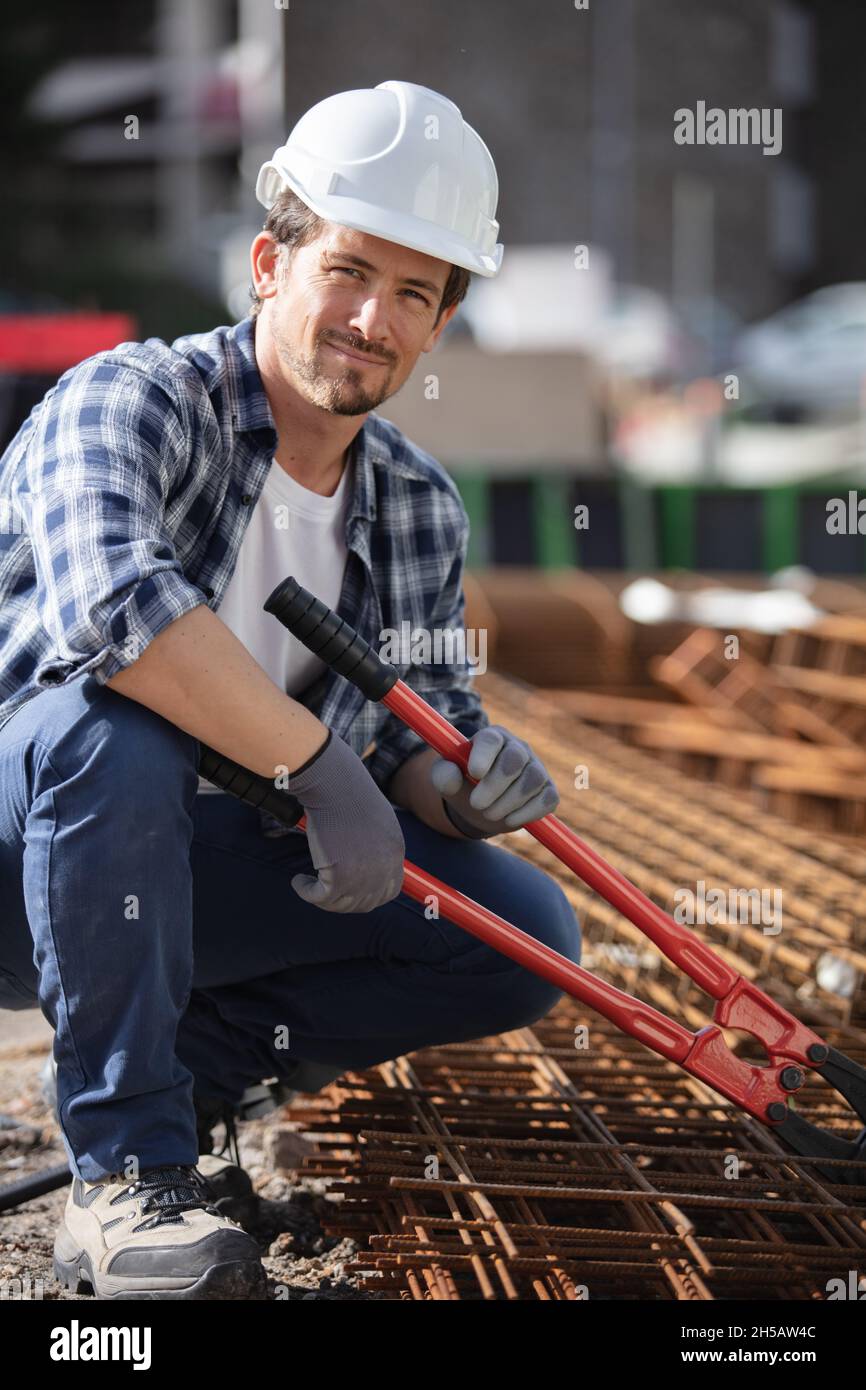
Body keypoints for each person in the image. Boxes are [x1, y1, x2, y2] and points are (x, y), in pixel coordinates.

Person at [0, 79, 580, 1300]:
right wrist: (316, 767)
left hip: (181, 881)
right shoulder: (130, 400)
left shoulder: (417, 503)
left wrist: (454, 784)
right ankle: (124, 1182)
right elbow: (116, 618)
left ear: (437, 327)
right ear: (270, 263)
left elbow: (414, 745)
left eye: (414, 294)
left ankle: (183, 1081)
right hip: (28, 854)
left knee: (524, 932)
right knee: (116, 730)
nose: (372, 317)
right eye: (349, 270)